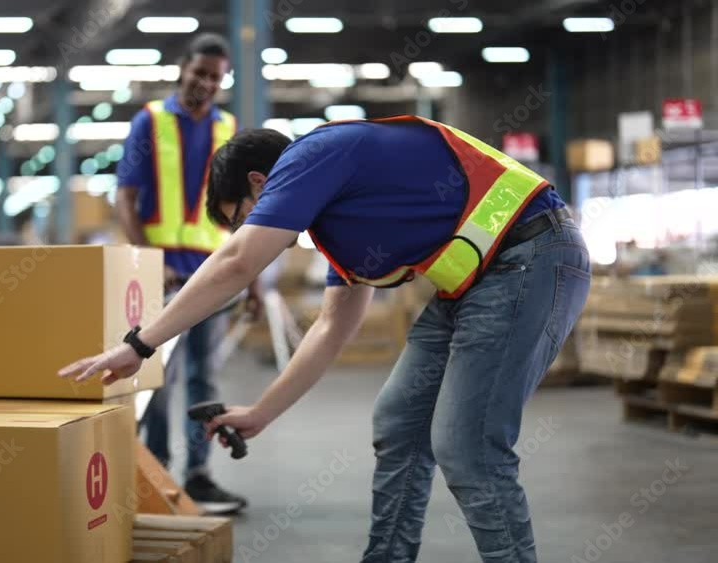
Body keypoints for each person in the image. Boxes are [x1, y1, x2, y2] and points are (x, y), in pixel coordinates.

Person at [62, 115, 592, 562]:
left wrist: (138, 345)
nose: (251, 231)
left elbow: (236, 262)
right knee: (399, 424)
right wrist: (262, 412)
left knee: (467, 445)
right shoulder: (339, 219)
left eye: (241, 218)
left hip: (533, 256)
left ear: (258, 183)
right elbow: (333, 326)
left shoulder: (311, 156)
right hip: (477, 282)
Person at [114, 32, 252, 514]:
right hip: (162, 275)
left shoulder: (228, 128)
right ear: (182, 69)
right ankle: (154, 472)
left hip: (213, 273)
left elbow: (242, 212)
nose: (206, 84)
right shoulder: (148, 122)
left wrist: (249, 275)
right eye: (200, 73)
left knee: (204, 380)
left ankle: (197, 476)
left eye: (216, 77)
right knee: (159, 378)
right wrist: (150, 260)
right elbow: (126, 199)